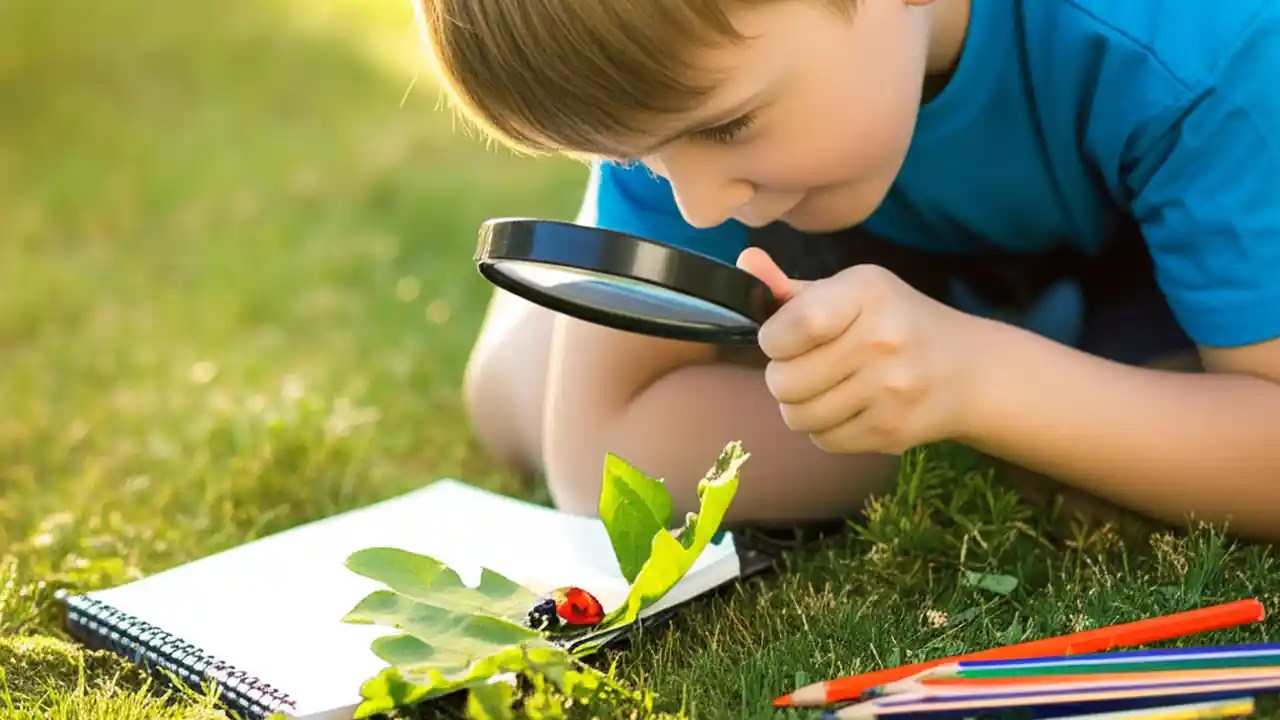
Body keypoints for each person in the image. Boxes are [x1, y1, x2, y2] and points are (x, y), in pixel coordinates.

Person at [421, 0, 1280, 541]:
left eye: (726, 127)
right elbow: (600, 464)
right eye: (634, 159)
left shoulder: (1205, 44)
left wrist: (982, 381)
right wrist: (949, 407)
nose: (696, 207)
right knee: (508, 388)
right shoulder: (710, 87)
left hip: (1165, 301)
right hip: (955, 286)